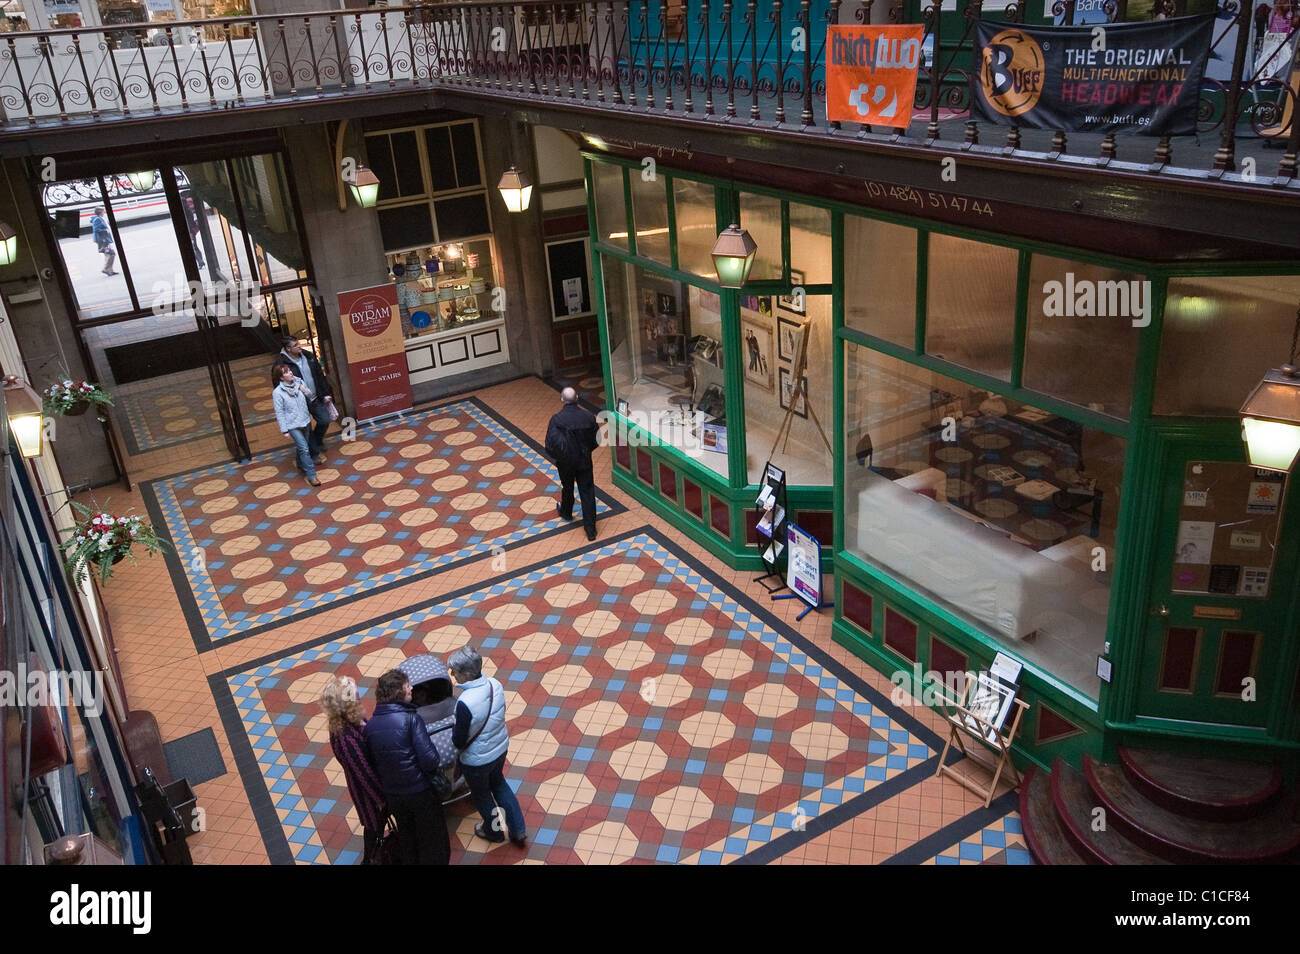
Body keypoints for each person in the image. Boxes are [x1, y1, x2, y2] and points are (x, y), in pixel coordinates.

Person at [362, 669, 452, 865]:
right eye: (407, 686)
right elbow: (430, 760)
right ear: (398, 692)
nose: (411, 687)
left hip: (394, 795)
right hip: (420, 792)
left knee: (408, 837)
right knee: (432, 839)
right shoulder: (411, 719)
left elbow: (372, 763)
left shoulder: (369, 727)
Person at [447, 646, 526, 847]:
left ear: (465, 674)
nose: (452, 675)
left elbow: (458, 740)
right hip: (500, 749)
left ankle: (493, 831)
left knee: (481, 794)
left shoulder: (464, 703)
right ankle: (518, 829)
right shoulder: (495, 684)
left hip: (476, 761)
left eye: (454, 671)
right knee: (499, 784)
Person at [319, 675, 386, 864]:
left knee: (374, 825)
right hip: (368, 792)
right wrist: (380, 799)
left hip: (369, 785)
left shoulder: (351, 717)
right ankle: (370, 859)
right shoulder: (346, 737)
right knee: (373, 825)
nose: (358, 692)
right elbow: (364, 773)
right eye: (353, 690)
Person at [544, 386, 600, 541]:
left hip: (566, 462)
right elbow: (597, 440)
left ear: (562, 400)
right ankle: (590, 529)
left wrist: (558, 457)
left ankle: (567, 512)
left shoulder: (557, 420)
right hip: (584, 460)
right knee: (587, 491)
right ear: (577, 398)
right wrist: (586, 451)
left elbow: (549, 444)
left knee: (567, 487)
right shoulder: (588, 417)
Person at [277, 336, 334, 464]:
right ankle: (313, 455)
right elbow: (278, 386)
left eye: (298, 343)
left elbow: (319, 375)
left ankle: (317, 441)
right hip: (298, 403)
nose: (299, 346)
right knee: (306, 430)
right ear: (288, 348)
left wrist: (325, 393)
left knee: (324, 420)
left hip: (314, 397)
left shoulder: (308, 356)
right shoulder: (281, 364)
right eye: (295, 345)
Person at [272, 361, 320, 487]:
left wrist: (304, 390)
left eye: (289, 370)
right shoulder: (278, 392)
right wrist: (284, 430)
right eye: (286, 372)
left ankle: (300, 463)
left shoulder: (299, 382)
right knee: (305, 448)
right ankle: (312, 476)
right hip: (292, 425)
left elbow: (310, 395)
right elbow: (279, 412)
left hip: (305, 421)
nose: (290, 373)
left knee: (302, 447)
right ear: (281, 377)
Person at [88, 207, 116, 276]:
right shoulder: (98, 219)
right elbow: (96, 229)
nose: (104, 212)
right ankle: (106, 269)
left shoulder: (99, 218)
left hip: (104, 239)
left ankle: (110, 270)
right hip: (103, 240)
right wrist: (105, 230)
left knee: (109, 254)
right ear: (100, 212)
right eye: (103, 211)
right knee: (111, 253)